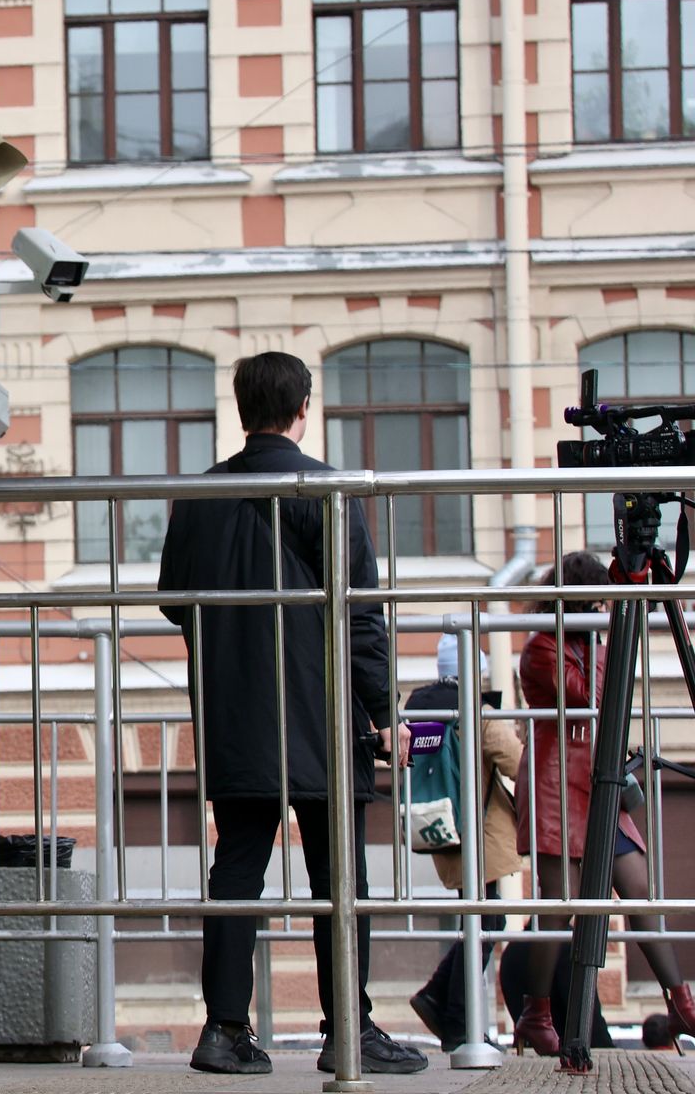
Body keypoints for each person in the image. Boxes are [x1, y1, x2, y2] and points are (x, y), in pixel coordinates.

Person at [159, 352, 427, 1077]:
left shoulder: (197, 495)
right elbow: (360, 617)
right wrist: (382, 711)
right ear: (304, 407)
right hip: (320, 712)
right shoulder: (327, 490)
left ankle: (222, 1030)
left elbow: (172, 598)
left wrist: (229, 649)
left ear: (241, 408)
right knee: (339, 878)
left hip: (235, 706)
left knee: (237, 871)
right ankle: (349, 1030)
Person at [510, 551, 695, 1055]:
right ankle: (537, 1011)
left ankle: (681, 1002)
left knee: (638, 890)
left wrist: (604, 636)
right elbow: (588, 696)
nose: (601, 607)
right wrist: (601, 637)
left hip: (598, 781)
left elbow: (610, 691)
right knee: (560, 902)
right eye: (594, 599)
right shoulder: (541, 648)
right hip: (556, 781)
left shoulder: (596, 645)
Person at [405, 636, 524, 1050]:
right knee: (487, 922)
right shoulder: (477, 712)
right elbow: (515, 762)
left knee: (477, 922)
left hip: (443, 829)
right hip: (482, 835)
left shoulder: (427, 713)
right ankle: (453, 1014)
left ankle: (442, 1000)